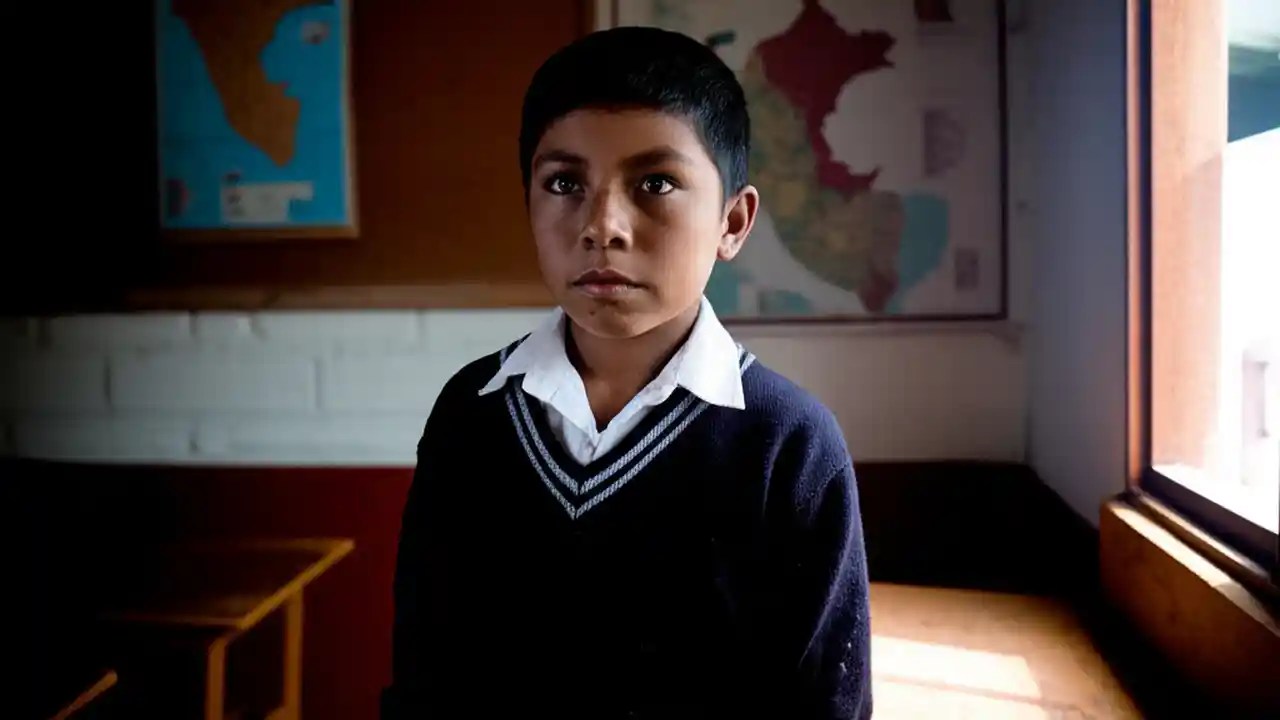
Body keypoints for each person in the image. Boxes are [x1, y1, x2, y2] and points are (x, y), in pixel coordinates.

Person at [382, 25, 871, 720]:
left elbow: (825, 702)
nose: (602, 225)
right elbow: (424, 679)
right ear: (527, 202)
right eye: (564, 183)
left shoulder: (789, 445)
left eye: (655, 183)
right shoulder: (472, 414)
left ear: (733, 221)